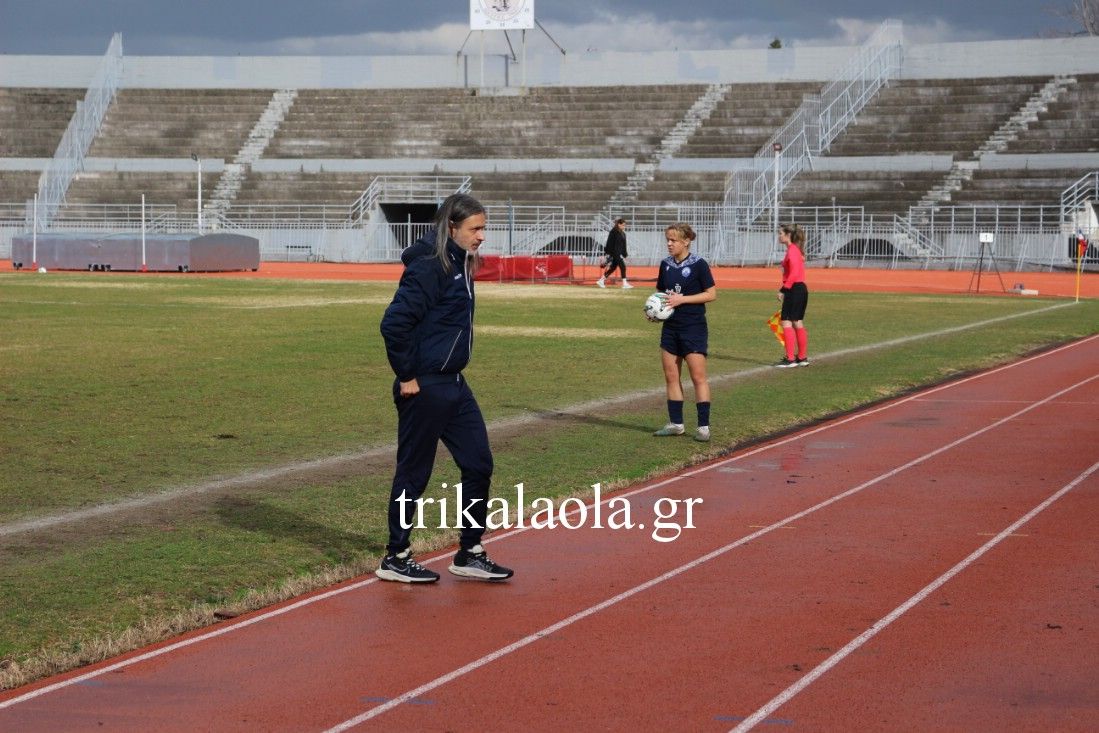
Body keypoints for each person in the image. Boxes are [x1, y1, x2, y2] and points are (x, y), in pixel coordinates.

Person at [377, 193, 513, 583]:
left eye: (484, 228)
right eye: (475, 229)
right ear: (450, 228)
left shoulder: (459, 263)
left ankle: (470, 551)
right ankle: (396, 555)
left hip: (455, 384)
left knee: (478, 463)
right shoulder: (429, 269)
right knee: (414, 473)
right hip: (423, 385)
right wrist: (406, 376)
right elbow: (394, 324)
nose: (482, 236)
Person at [652, 222, 717, 442]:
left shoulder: (699, 265)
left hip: (693, 327)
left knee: (698, 377)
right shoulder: (665, 264)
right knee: (671, 376)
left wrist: (683, 300)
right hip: (670, 328)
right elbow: (661, 294)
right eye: (667, 240)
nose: (669, 244)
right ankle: (676, 424)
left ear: (686, 241)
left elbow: (711, 294)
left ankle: (703, 427)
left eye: (674, 240)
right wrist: (654, 311)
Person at [774, 223, 810, 368]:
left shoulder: (793, 251)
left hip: (794, 289)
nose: (779, 236)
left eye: (781, 233)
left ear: (788, 235)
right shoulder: (794, 250)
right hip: (799, 289)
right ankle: (801, 358)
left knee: (787, 322)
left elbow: (794, 273)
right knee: (796, 322)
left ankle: (790, 359)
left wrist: (784, 289)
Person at [596, 218, 633, 289]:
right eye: (623, 225)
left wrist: (625, 254)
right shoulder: (613, 232)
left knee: (613, 268)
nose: (624, 227)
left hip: (619, 253)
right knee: (623, 266)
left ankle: (601, 280)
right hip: (614, 253)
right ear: (618, 224)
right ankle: (625, 284)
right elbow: (609, 243)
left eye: (625, 225)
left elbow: (624, 245)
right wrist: (607, 253)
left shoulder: (623, 234)